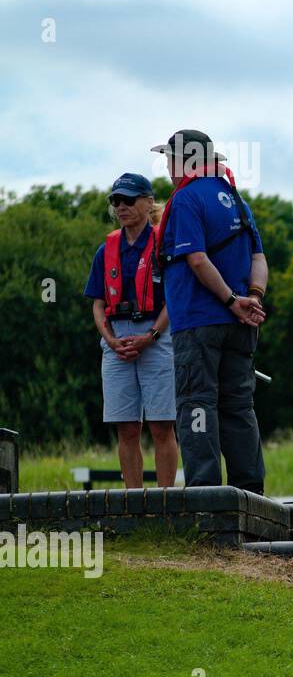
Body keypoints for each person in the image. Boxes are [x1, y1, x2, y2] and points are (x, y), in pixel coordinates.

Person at [154, 129, 268, 493]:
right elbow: (258, 258)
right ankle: (251, 495)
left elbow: (197, 259)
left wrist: (230, 301)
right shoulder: (236, 199)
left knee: (197, 404)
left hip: (200, 321)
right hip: (241, 324)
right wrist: (252, 298)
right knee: (238, 406)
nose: (167, 166)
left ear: (184, 161)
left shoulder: (186, 199)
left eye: (170, 158)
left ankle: (205, 497)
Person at [83, 173, 178, 489]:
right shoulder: (105, 249)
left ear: (149, 202)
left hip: (156, 334)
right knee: (126, 427)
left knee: (162, 425)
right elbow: (98, 304)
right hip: (117, 338)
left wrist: (150, 336)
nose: (121, 206)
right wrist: (110, 341)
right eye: (115, 201)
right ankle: (134, 503)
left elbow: (174, 299)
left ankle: (166, 502)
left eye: (128, 199)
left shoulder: (164, 244)